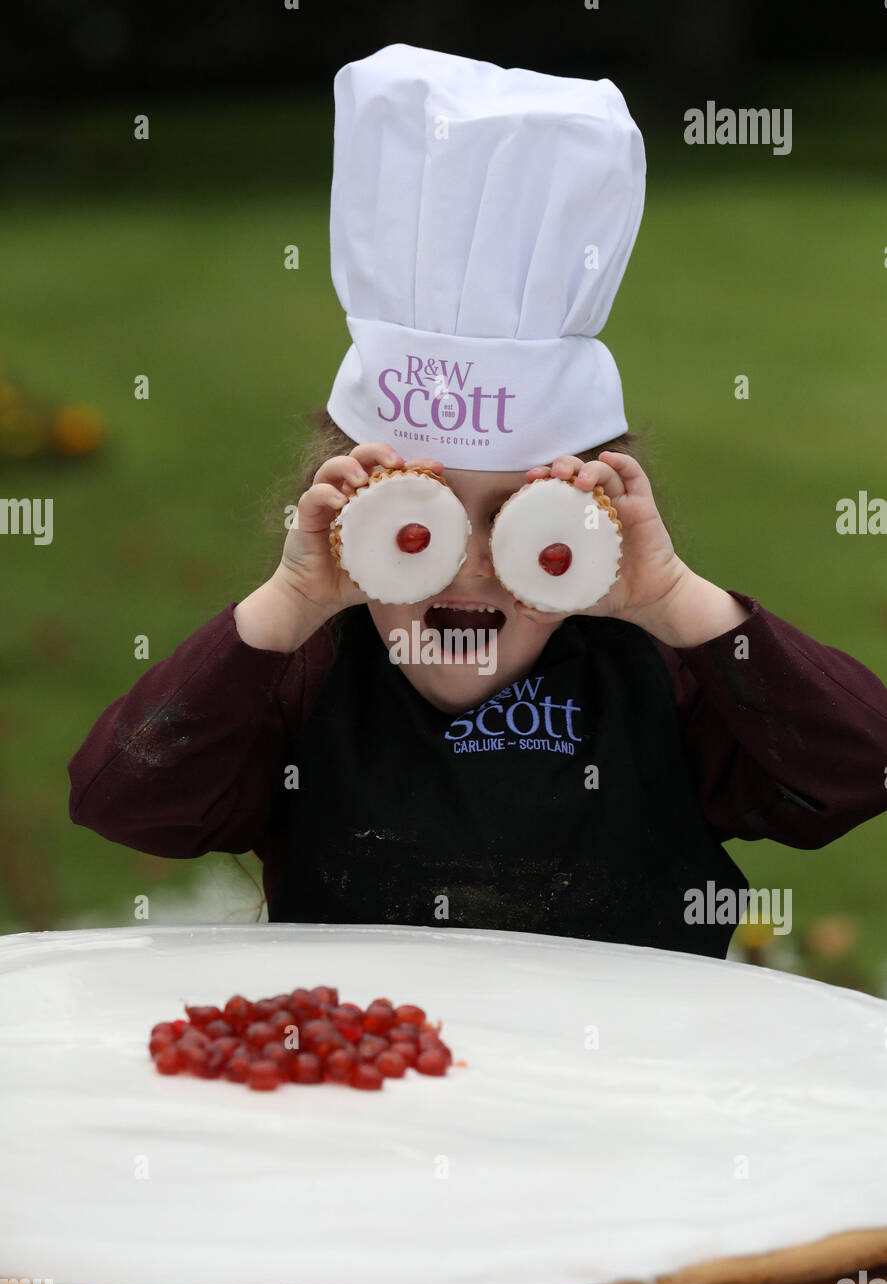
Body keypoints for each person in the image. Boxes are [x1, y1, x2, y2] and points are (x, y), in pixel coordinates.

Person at [68, 45, 887, 959]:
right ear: (347, 525)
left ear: (592, 527)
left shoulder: (658, 681)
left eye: (522, 520)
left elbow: (859, 768)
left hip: (629, 1084)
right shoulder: (306, 681)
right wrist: (287, 604)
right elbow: (122, 798)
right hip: (380, 1074)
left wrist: (678, 604)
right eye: (421, 519)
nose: (471, 563)